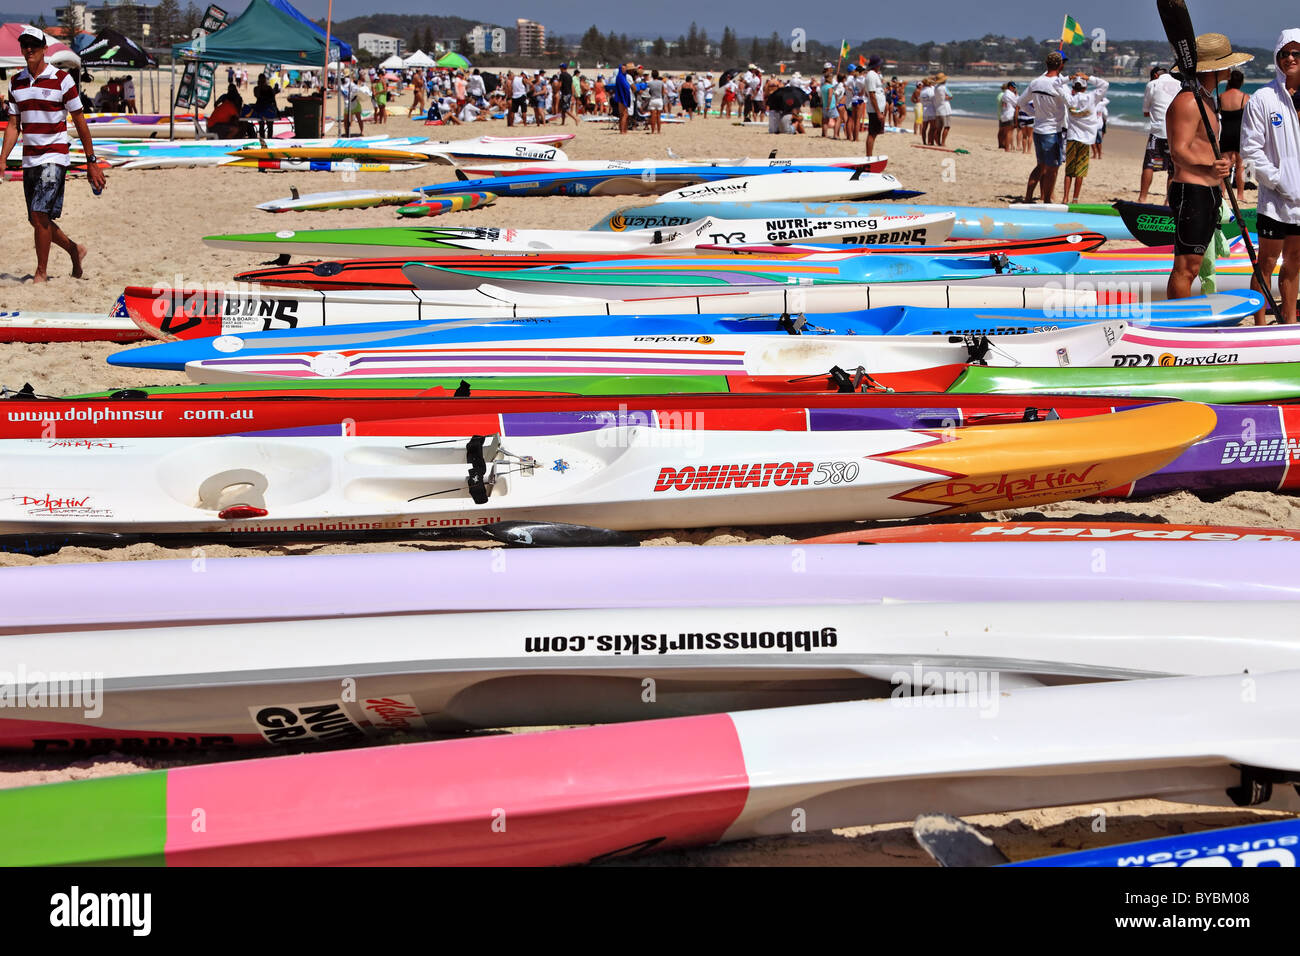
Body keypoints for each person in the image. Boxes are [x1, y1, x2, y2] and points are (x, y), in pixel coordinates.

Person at [0, 27, 104, 283]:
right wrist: (2, 158)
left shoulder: (62, 80)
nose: (29, 49)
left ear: (45, 49)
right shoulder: (16, 82)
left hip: (55, 156)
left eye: (34, 45)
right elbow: (14, 125)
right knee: (37, 218)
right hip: (30, 158)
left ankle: (41, 273)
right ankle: (74, 250)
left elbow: (80, 122)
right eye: (25, 45)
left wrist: (92, 162)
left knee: (38, 213)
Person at [1165, 33, 1252, 301]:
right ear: (1214, 67)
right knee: (1186, 268)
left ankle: (1183, 319)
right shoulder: (1188, 101)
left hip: (1208, 192)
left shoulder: (1206, 100)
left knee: (1194, 265)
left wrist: (1218, 166)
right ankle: (1177, 325)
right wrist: (1211, 165)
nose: (1231, 67)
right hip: (1192, 192)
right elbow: (1178, 151)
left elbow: (1201, 145)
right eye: (1226, 62)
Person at [1242, 29, 1300, 324]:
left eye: (1296, 53)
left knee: (1294, 263)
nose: (1290, 58)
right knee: (1265, 263)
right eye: (1284, 53)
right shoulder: (1263, 98)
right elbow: (1250, 151)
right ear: (1277, 57)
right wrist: (1279, 180)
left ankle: (1289, 321)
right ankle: (1260, 323)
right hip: (1274, 202)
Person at [1022, 52, 1071, 203]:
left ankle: (1029, 197)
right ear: (1060, 65)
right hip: (1053, 131)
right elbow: (1071, 104)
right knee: (1053, 169)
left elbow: (1021, 102)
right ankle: (1047, 201)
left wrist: (1035, 114)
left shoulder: (1035, 82)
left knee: (1040, 166)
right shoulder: (1059, 85)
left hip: (1038, 130)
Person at [1062, 73, 1109, 203]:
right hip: (1086, 139)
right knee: (1080, 171)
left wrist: (1068, 77)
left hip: (1072, 137)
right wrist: (1089, 77)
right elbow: (1105, 84)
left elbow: (1056, 85)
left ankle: (1065, 197)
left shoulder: (1069, 99)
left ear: (1073, 88)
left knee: (1069, 170)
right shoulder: (1092, 97)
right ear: (1085, 87)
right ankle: (1075, 199)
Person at [1139, 66, 1182, 202]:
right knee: (1172, 169)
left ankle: (1142, 198)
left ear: (1155, 76)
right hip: (1176, 132)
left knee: (1149, 165)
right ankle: (1168, 201)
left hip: (1158, 132)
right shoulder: (1180, 84)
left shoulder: (1153, 84)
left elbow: (1146, 112)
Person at [1218, 69, 1250, 203]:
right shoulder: (1244, 97)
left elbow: (1217, 115)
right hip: (1240, 133)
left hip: (1225, 132)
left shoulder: (1221, 96)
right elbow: (1250, 117)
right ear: (1241, 82)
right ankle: (1240, 195)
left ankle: (1223, 193)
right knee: (1240, 165)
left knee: (1225, 164)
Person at [863, 56, 885, 155]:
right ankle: (869, 155)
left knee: (875, 133)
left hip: (877, 108)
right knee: (872, 133)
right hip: (874, 110)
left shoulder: (874, 75)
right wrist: (878, 112)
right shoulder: (871, 75)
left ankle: (869, 155)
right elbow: (871, 94)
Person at [611, 63, 633, 133]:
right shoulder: (620, 77)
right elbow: (626, 87)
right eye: (623, 69)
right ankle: (623, 131)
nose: (624, 70)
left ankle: (622, 130)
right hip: (622, 97)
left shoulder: (621, 76)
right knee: (624, 114)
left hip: (622, 96)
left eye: (625, 68)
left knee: (622, 114)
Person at [997, 82, 1017, 150]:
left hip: (1004, 115)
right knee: (1009, 132)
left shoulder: (1004, 94)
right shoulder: (1009, 94)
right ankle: (1007, 148)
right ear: (1009, 87)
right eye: (1013, 87)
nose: (1014, 88)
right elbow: (1016, 103)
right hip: (1009, 115)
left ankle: (1006, 147)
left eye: (1015, 87)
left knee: (1006, 132)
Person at [646, 69, 665, 134]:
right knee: (658, 117)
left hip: (653, 99)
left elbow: (649, 91)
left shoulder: (650, 83)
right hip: (659, 99)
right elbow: (663, 92)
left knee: (653, 117)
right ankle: (659, 131)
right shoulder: (661, 82)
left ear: (652, 75)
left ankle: (653, 131)